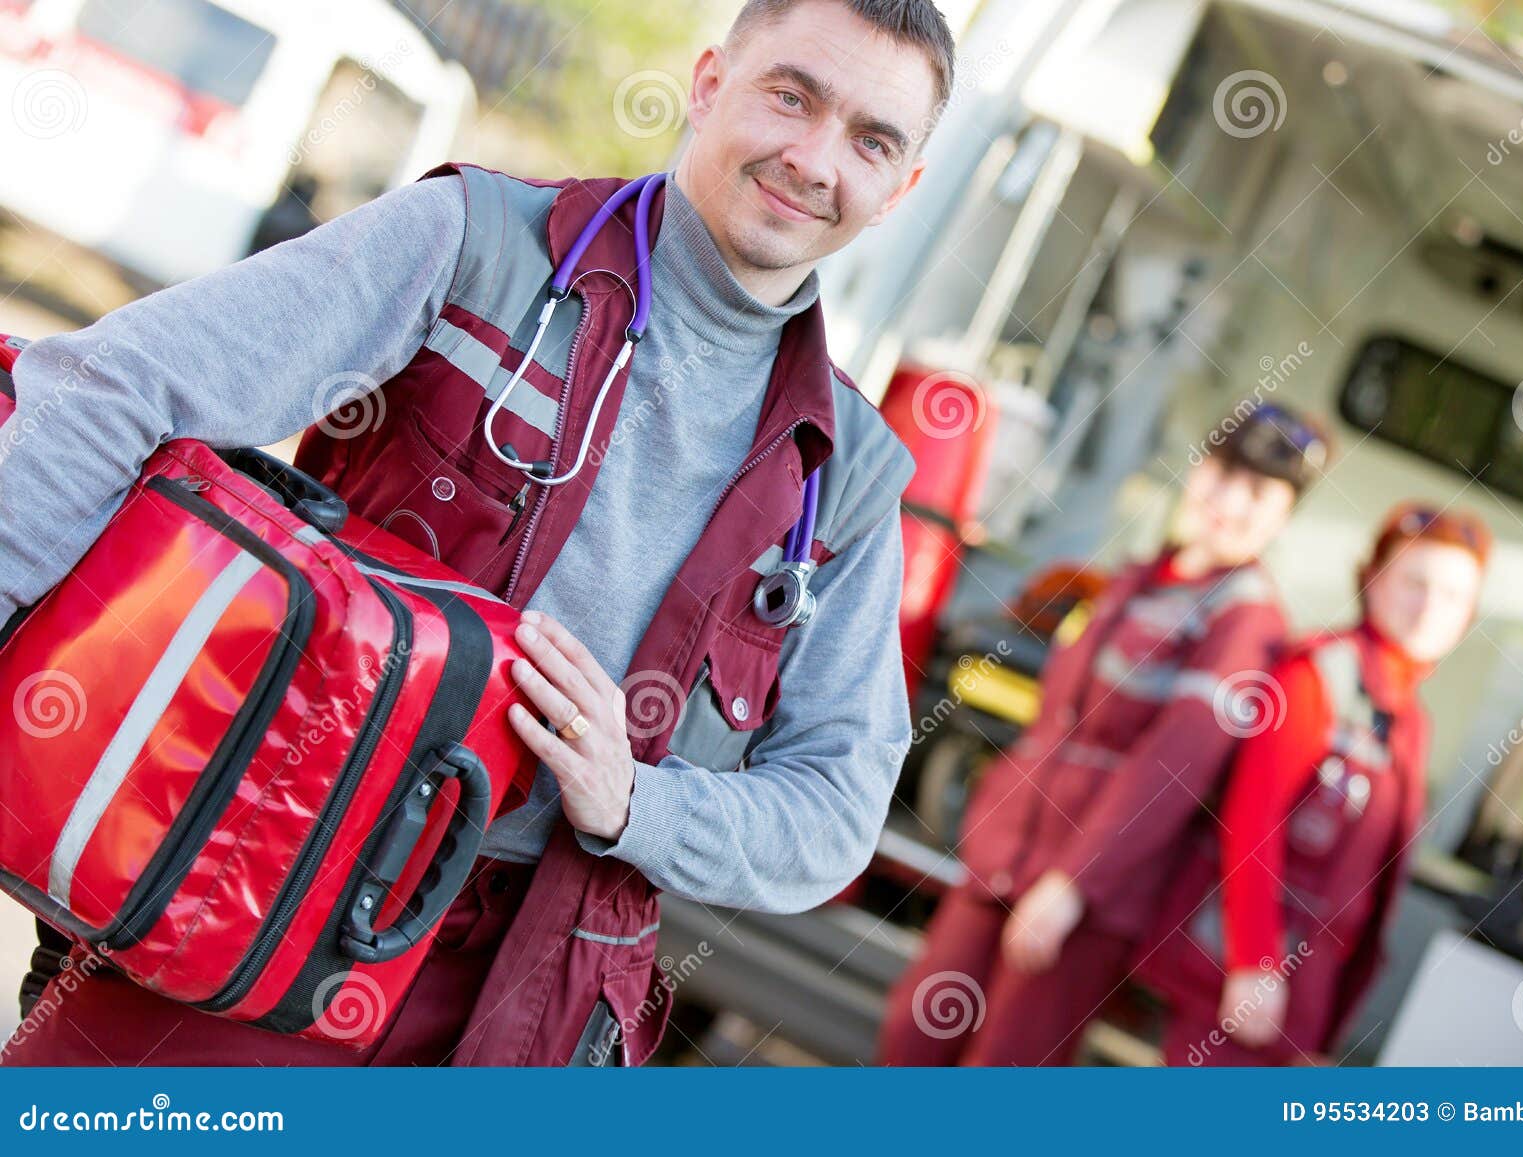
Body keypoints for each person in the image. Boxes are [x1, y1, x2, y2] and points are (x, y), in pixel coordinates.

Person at [0, 0, 956, 1066]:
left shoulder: (854, 478)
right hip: (258, 901)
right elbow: (112, 385)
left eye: (871, 140)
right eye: (791, 95)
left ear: (900, 189)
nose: (813, 158)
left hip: (526, 1004)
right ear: (705, 84)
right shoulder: (478, 246)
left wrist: (637, 802)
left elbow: (832, 812)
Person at [878, 403, 1329, 1066]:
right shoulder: (1134, 580)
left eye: (1258, 490)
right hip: (1007, 859)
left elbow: (1171, 770)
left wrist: (1074, 885)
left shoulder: (1245, 618)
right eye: (1222, 472)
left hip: (1085, 897)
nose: (1228, 499)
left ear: (1284, 515)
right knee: (913, 1037)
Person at [1143, 503, 1492, 1065]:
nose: (1430, 608)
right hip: (1239, 981)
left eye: (1453, 597)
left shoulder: (1408, 717)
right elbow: (1251, 821)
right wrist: (1254, 963)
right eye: (1414, 583)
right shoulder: (1317, 674)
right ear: (1371, 579)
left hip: (1301, 996)